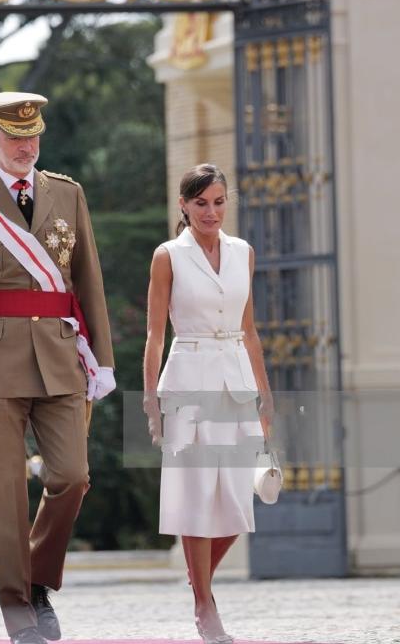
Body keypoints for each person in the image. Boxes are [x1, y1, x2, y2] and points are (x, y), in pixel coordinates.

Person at [0, 92, 116, 644]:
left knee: (71, 477)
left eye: (33, 136)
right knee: (5, 494)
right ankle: (18, 609)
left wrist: (103, 357)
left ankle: (38, 579)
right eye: (14, 138)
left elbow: (88, 278)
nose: (25, 146)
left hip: (61, 357)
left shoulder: (68, 194)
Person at [141, 164, 275, 644]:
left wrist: (265, 392)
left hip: (236, 377)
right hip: (187, 378)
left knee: (240, 499)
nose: (211, 212)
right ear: (184, 205)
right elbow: (156, 334)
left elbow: (251, 329)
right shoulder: (168, 256)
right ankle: (204, 604)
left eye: (219, 202)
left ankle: (200, 582)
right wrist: (152, 398)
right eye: (201, 203)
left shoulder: (243, 252)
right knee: (196, 493)